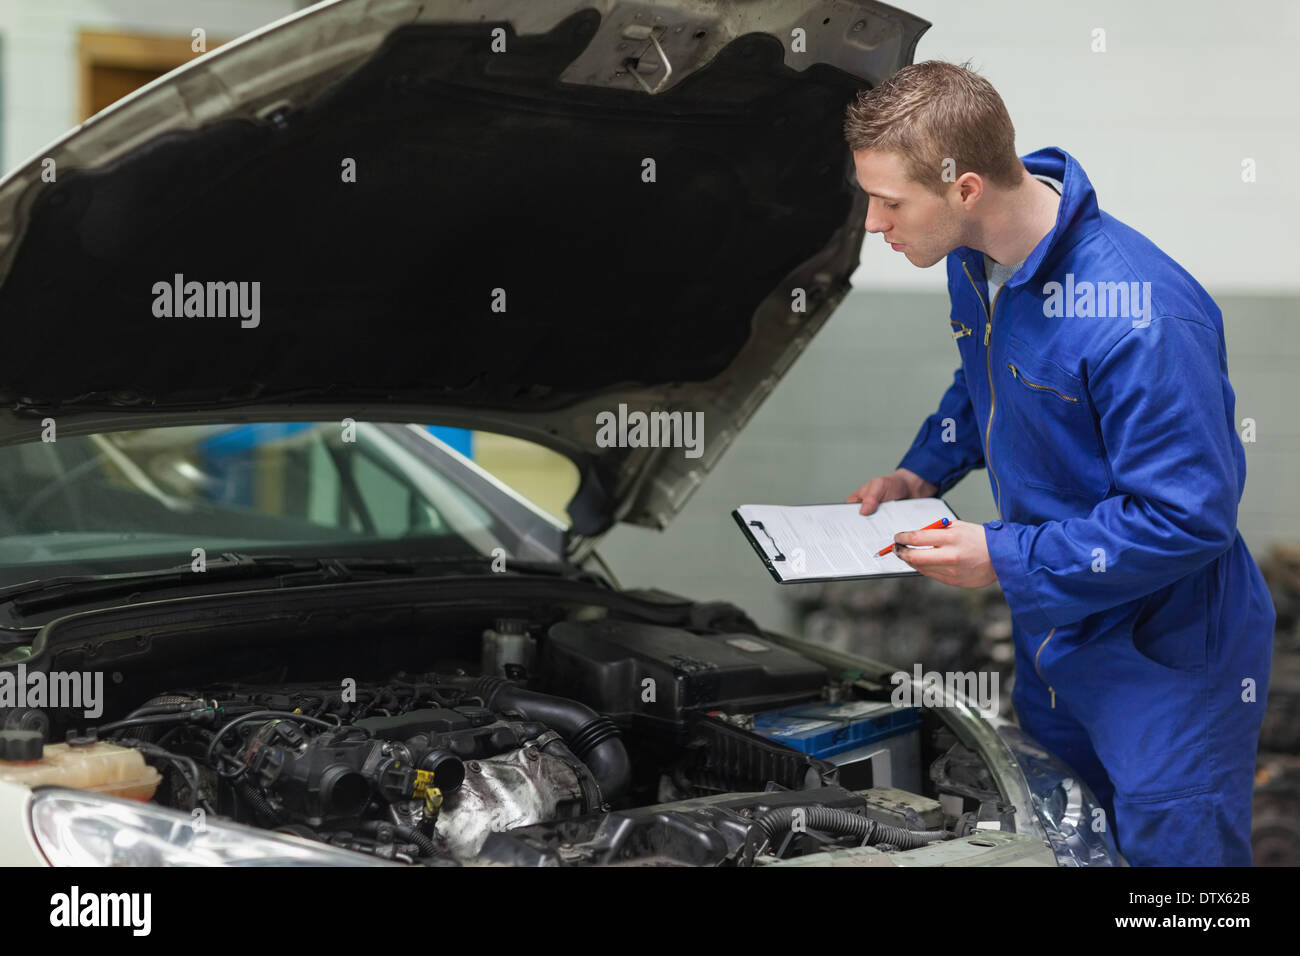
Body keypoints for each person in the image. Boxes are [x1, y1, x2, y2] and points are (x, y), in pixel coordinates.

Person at [841, 60, 1273, 866]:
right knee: (1068, 843)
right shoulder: (977, 260)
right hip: (1055, 633)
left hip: (1165, 653)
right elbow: (988, 378)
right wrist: (923, 470)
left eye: (890, 202)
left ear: (964, 187)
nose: (873, 223)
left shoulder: (1141, 317)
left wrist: (999, 555)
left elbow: (1189, 517)